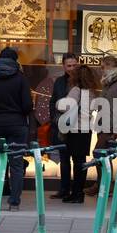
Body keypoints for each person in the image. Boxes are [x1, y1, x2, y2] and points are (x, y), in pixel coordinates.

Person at [0, 46, 32, 212]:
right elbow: (27, 105)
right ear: (15, 61)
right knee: (16, 163)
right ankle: (14, 202)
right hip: (17, 125)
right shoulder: (20, 79)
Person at [56, 63, 99, 203]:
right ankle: (78, 192)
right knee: (81, 161)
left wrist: (58, 104)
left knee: (76, 161)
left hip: (75, 128)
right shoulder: (92, 92)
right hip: (86, 129)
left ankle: (76, 194)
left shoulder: (76, 90)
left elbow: (64, 107)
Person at [47, 54, 79, 200]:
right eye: (69, 65)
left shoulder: (81, 81)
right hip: (62, 124)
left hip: (78, 125)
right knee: (64, 158)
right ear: (64, 66)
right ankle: (64, 189)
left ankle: (77, 191)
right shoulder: (59, 81)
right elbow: (53, 100)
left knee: (78, 158)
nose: (72, 68)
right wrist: (55, 118)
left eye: (74, 65)